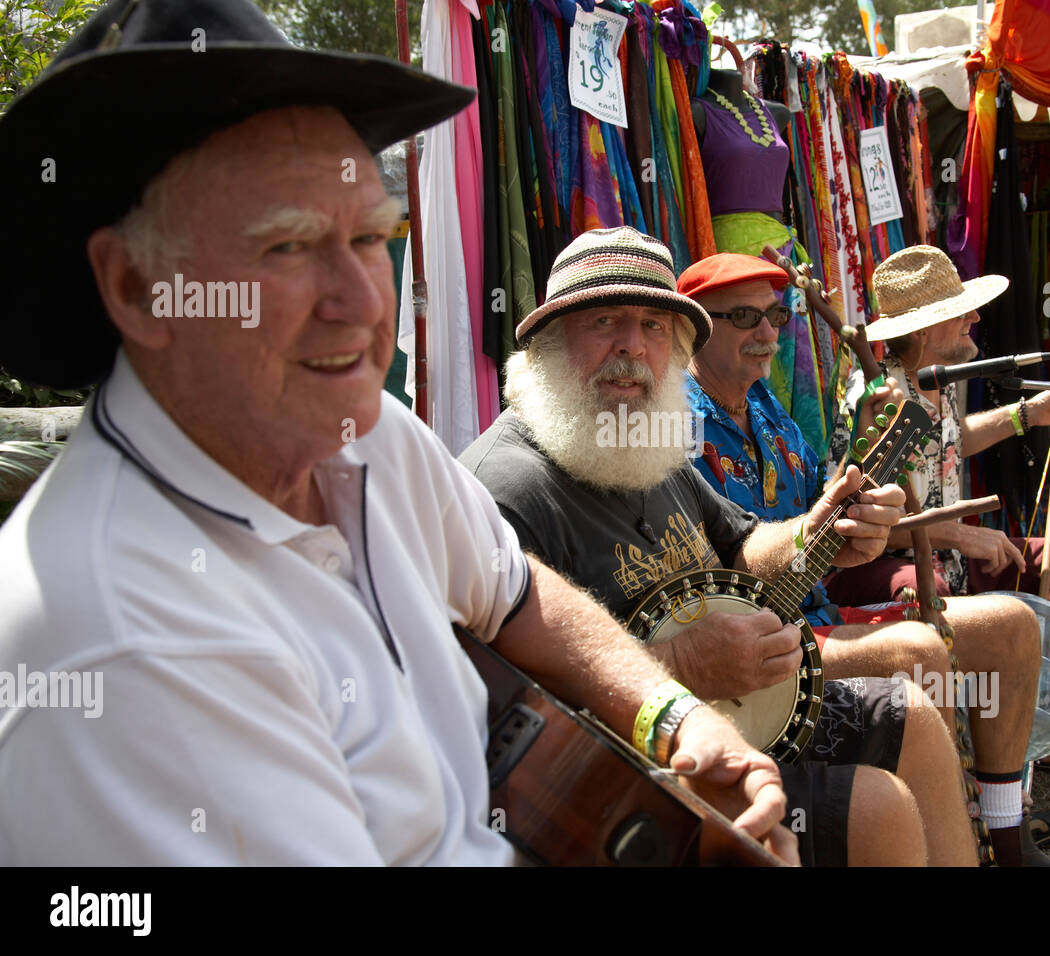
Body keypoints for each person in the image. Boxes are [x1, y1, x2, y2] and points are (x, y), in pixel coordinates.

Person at [0, 0, 794, 865]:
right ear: (136, 287)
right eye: (289, 248)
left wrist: (667, 715)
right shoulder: (120, 642)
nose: (364, 301)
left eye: (375, 237)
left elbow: (514, 592)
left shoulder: (364, 434)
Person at [462, 226, 982, 866]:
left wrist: (813, 533)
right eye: (605, 320)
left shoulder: (648, 442)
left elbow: (739, 546)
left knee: (914, 718)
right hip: (629, 770)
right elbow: (500, 711)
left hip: (734, 712)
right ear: (544, 345)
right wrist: (679, 664)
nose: (633, 346)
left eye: (655, 326)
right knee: (875, 807)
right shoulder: (504, 489)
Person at [678, 252, 1050, 865]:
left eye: (776, 315)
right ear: (695, 327)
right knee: (920, 652)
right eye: (745, 316)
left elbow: (816, 537)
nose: (769, 333)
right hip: (756, 637)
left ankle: (1005, 837)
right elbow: (711, 578)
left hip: (818, 606)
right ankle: (938, 828)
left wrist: (861, 531)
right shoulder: (674, 429)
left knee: (1014, 625)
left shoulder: (772, 413)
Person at [827, 246, 1050, 782]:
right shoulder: (875, 395)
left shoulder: (937, 378)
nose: (976, 317)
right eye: (963, 309)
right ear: (928, 329)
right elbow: (858, 515)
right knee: (923, 583)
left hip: (948, 548)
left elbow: (952, 440)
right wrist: (962, 536)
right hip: (877, 560)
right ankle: (952, 755)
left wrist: (1026, 414)